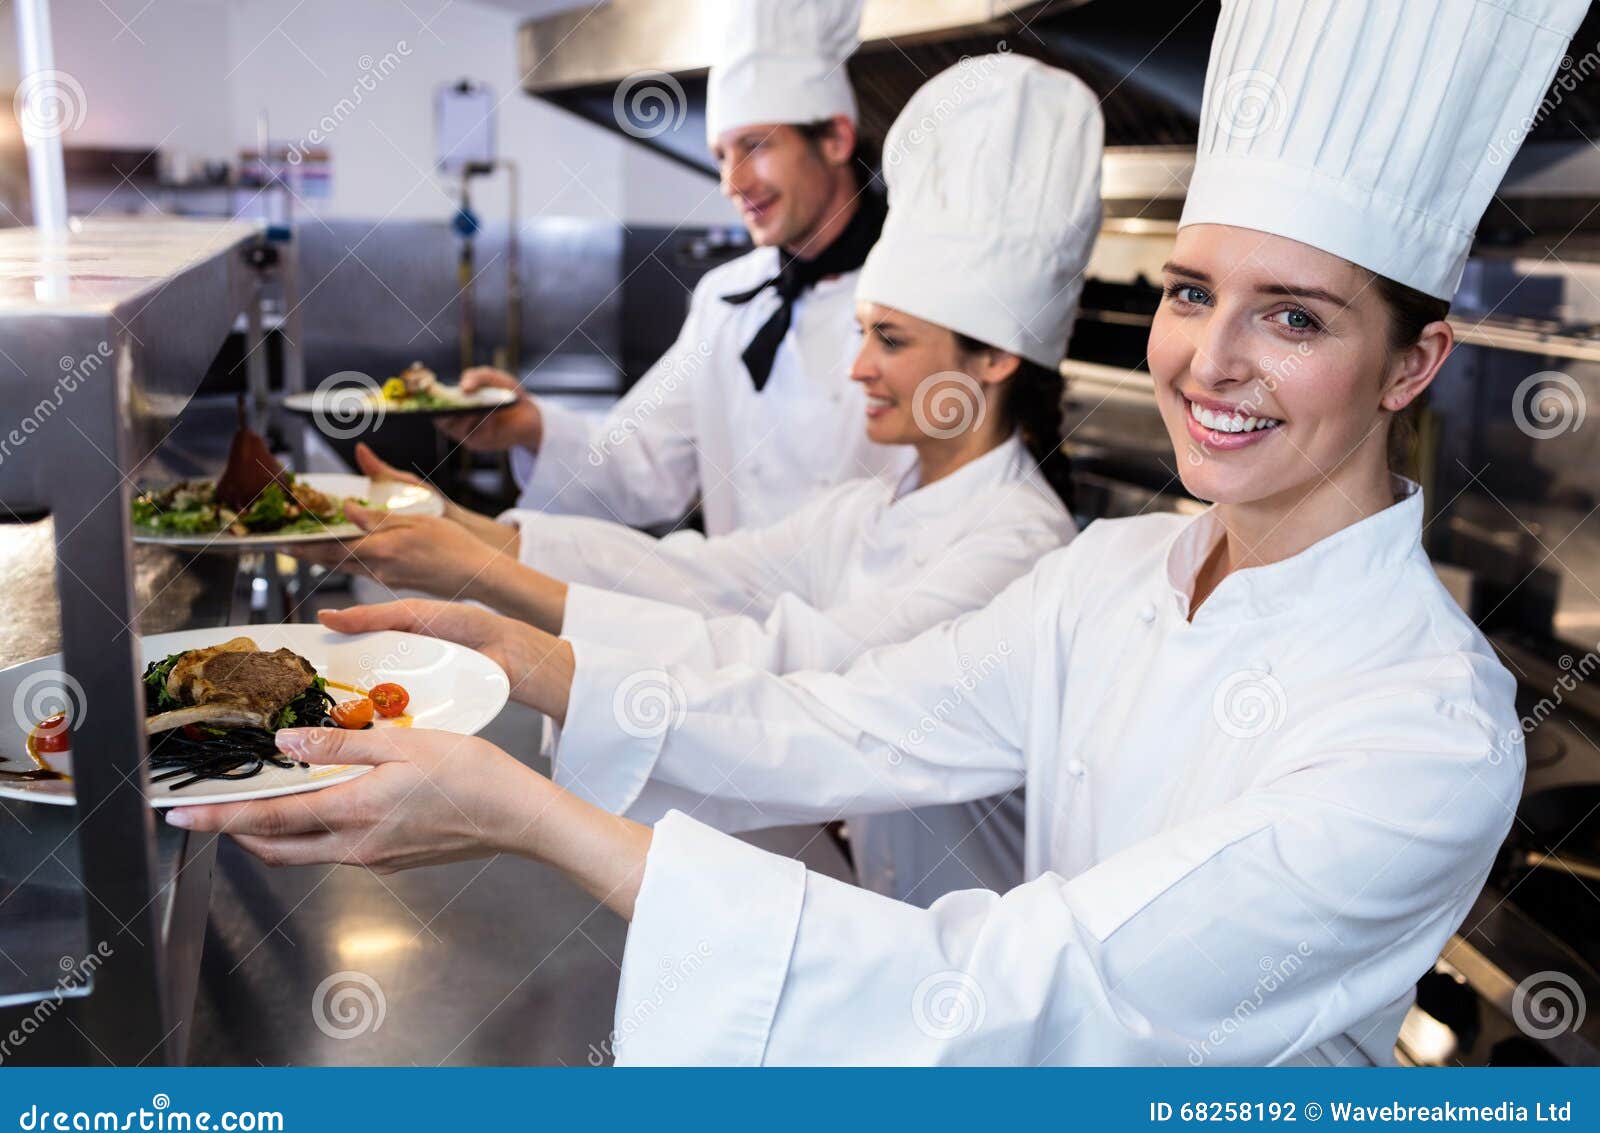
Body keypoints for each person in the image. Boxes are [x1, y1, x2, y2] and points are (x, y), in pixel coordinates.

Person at [168, 0, 1586, 1064]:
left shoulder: (1425, 731)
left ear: (1413, 362)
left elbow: (1039, 992)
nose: (1207, 361)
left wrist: (537, 817)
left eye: (1293, 317)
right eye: (1188, 292)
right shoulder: (1112, 574)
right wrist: (505, 639)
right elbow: (841, 711)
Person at [307, 55, 1099, 905]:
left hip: (972, 944)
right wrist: (470, 534)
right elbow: (705, 577)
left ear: (993, 357)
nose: (857, 367)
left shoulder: (1019, 547)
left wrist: (510, 612)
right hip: (864, 885)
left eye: (891, 341)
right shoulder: (873, 506)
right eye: (864, 333)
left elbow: (805, 673)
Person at [431, 0, 911, 535]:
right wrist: (529, 427)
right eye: (722, 156)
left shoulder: (919, 293)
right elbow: (646, 461)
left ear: (836, 139)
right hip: (735, 589)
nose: (733, 183)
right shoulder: (725, 297)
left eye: (755, 146)